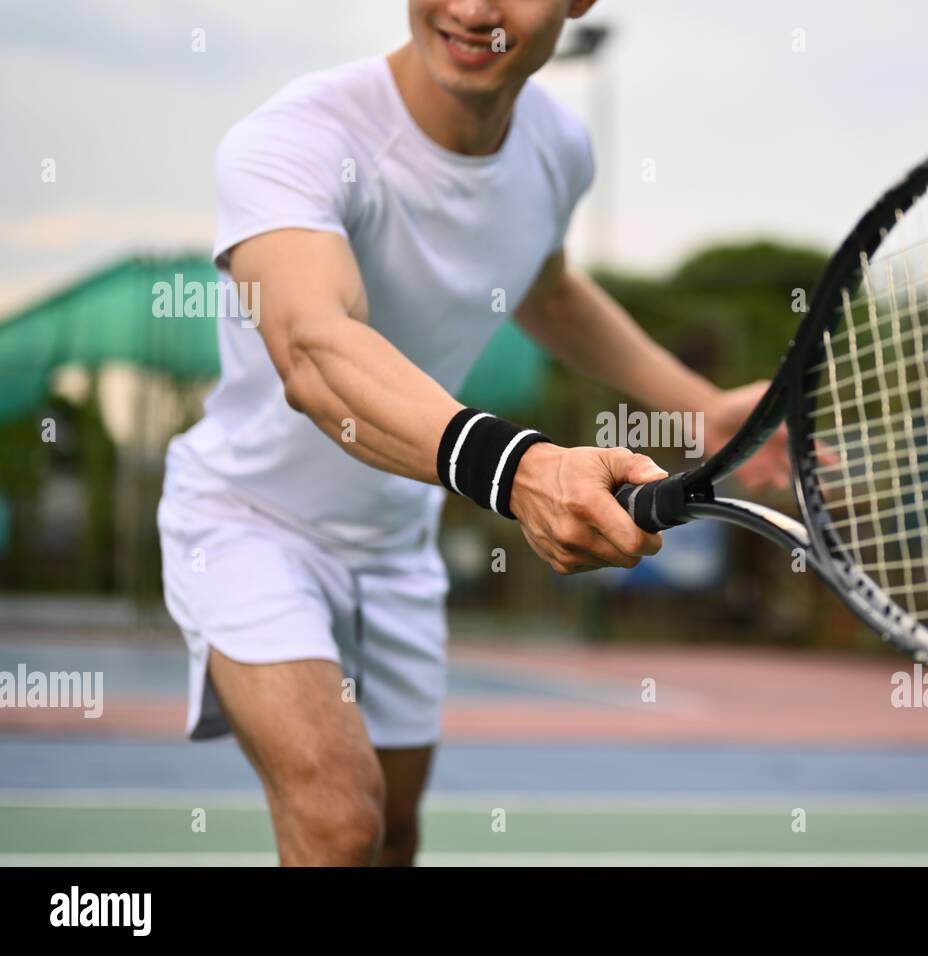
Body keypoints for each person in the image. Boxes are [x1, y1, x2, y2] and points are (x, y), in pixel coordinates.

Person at [157, 0, 786, 866]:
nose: (472, 8)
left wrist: (701, 406)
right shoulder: (292, 140)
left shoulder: (558, 148)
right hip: (245, 524)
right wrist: (520, 468)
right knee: (339, 820)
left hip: (395, 545)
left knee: (394, 837)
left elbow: (547, 286)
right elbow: (314, 351)